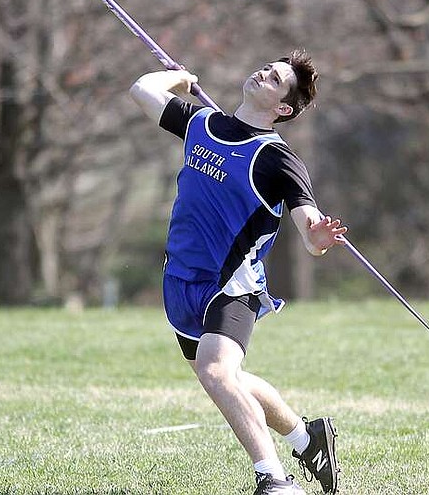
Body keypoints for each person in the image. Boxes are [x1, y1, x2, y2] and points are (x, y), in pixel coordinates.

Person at [129, 49, 347, 495]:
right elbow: (142, 90)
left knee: (216, 373)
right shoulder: (201, 123)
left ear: (283, 109)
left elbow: (310, 232)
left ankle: (274, 479)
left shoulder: (278, 159)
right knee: (229, 379)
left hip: (232, 286)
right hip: (180, 279)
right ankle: (307, 439)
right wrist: (180, 78)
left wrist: (318, 237)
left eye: (275, 79)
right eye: (267, 68)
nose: (263, 74)